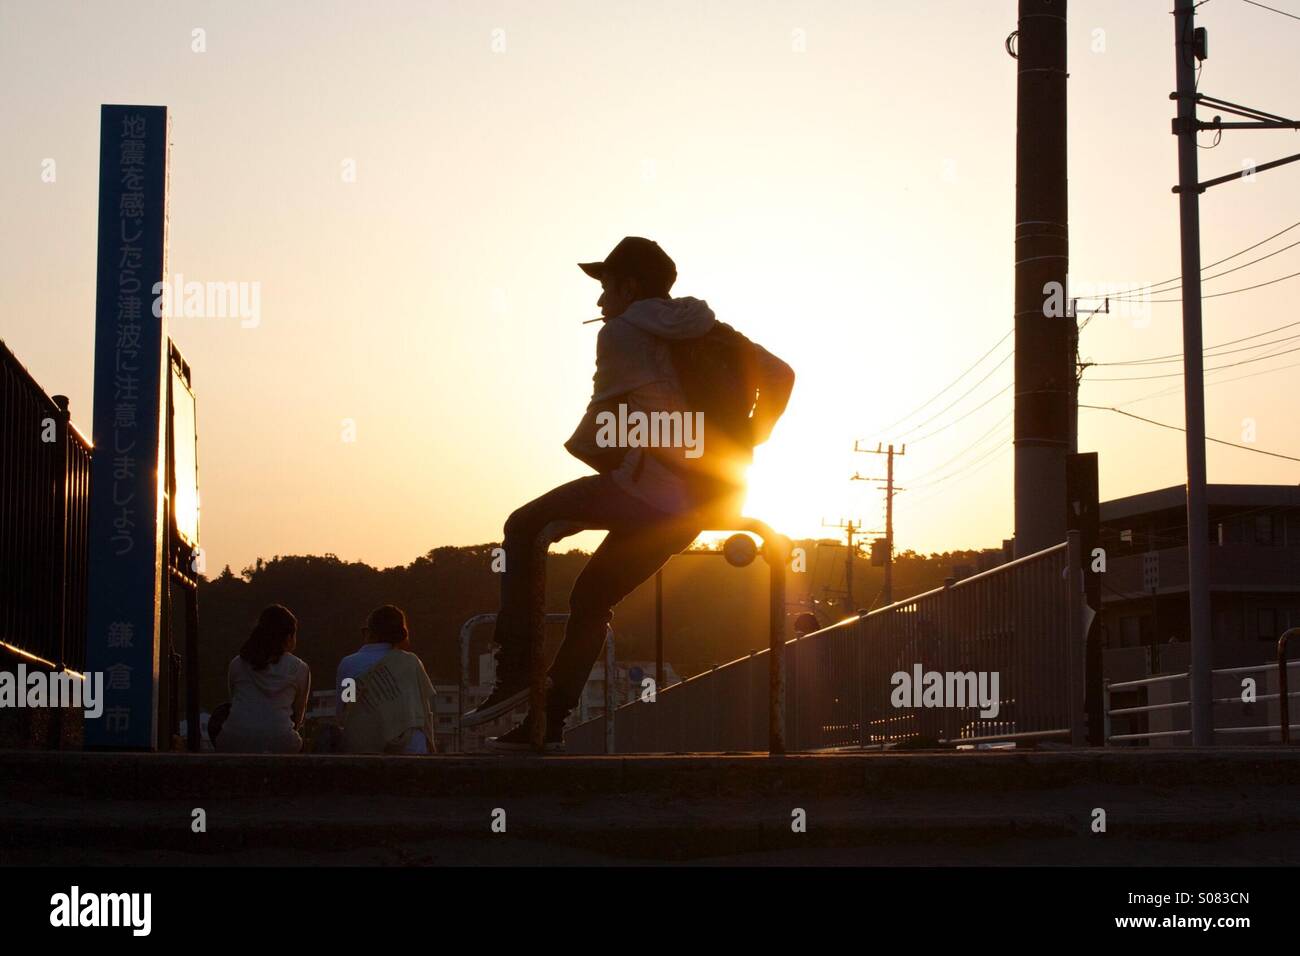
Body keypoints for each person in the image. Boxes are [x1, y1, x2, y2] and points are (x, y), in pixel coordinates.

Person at [463, 236, 794, 752]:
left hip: (650, 491)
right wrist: (751, 436)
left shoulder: (620, 333)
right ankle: (544, 725)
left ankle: (514, 673)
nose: (599, 301)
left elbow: (601, 425)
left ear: (630, 287)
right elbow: (782, 374)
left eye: (606, 288)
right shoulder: (712, 328)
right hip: (711, 498)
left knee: (523, 526)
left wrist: (605, 455)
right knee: (592, 596)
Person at [335, 604, 437, 754]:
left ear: (370, 633)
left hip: (365, 749)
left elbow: (345, 709)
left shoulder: (349, 664)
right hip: (412, 748)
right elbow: (425, 708)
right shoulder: (411, 663)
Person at [215, 604, 311, 753]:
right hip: (283, 743)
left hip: (234, 741)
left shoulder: (238, 662)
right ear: (288, 637)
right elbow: (298, 717)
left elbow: (234, 700)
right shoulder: (299, 668)